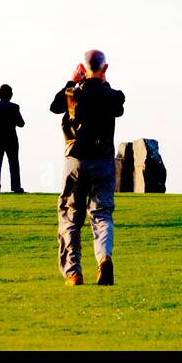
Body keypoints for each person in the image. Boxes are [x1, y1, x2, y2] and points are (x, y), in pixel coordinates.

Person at [50, 49, 125, 286]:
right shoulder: (112, 96)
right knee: (102, 213)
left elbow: (54, 106)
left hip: (75, 161)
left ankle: (74, 272)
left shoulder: (72, 93)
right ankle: (104, 257)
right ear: (104, 68)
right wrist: (103, 80)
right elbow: (118, 108)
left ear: (83, 68)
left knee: (70, 217)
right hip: (102, 160)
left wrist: (73, 80)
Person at [0, 84, 25, 194]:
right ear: (10, 95)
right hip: (10, 138)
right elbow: (21, 124)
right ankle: (16, 187)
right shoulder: (14, 107)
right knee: (14, 163)